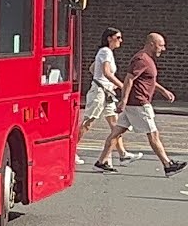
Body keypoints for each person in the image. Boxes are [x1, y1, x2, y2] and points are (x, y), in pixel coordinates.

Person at [94, 33, 186, 176]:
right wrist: (124, 100)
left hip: (135, 102)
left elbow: (148, 80)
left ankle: (102, 162)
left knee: (117, 132)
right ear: (151, 44)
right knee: (153, 133)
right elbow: (129, 79)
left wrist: (163, 91)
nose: (164, 48)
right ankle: (168, 165)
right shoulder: (141, 59)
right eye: (161, 45)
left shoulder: (147, 60)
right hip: (139, 103)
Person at [76, 28, 139, 166]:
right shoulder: (106, 51)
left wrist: (108, 84)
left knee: (116, 124)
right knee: (89, 122)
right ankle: (71, 150)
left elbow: (92, 69)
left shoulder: (104, 52)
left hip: (106, 92)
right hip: (99, 93)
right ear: (110, 38)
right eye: (118, 37)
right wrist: (123, 86)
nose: (121, 41)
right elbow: (106, 73)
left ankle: (123, 154)